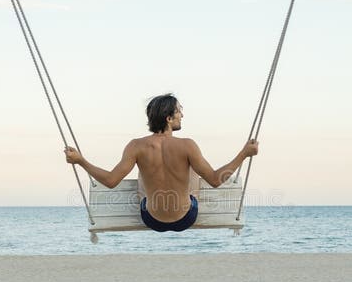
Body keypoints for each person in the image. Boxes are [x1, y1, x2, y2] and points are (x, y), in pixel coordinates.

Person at [64, 93, 259, 233]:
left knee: (143, 173)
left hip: (152, 220)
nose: (182, 115)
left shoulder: (136, 146)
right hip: (186, 218)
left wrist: (81, 160)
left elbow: (111, 181)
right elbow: (216, 180)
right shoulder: (187, 145)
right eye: (179, 111)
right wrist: (244, 153)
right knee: (193, 172)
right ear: (168, 118)